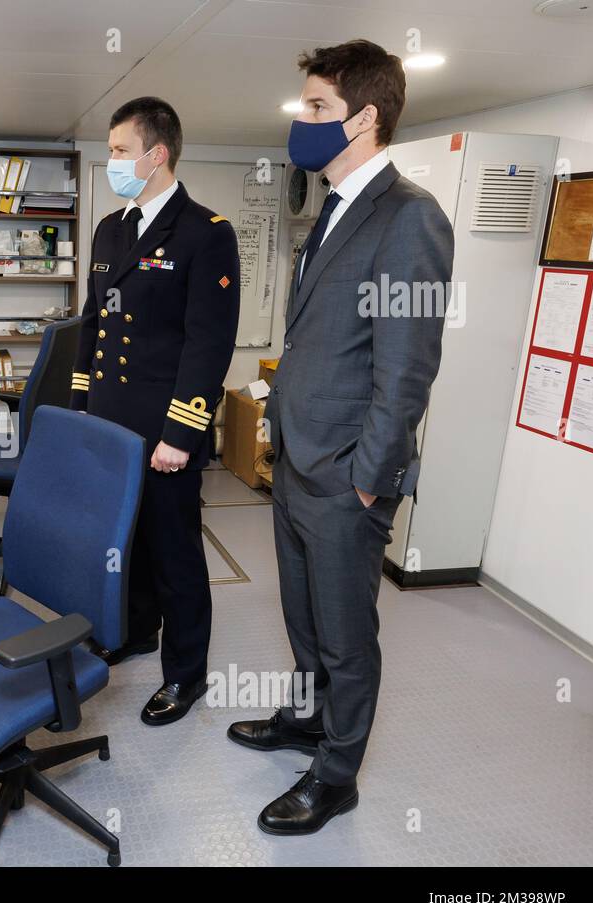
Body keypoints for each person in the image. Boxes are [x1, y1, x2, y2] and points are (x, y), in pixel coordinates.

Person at [227, 39, 453, 834]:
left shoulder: (411, 218)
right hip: (298, 463)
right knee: (304, 616)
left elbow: (407, 367)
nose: (301, 119)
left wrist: (368, 479)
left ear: (365, 117)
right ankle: (309, 718)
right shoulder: (334, 206)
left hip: (346, 478)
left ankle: (337, 774)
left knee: (348, 633)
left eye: (316, 107)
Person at [70, 97, 240, 726]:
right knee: (128, 543)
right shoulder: (110, 229)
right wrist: (82, 408)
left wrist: (182, 432)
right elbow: (95, 324)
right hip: (112, 423)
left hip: (166, 429)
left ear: (156, 153)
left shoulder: (205, 233)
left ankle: (185, 675)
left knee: (174, 553)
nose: (110, 161)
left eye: (118, 151)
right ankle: (136, 632)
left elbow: (208, 343)